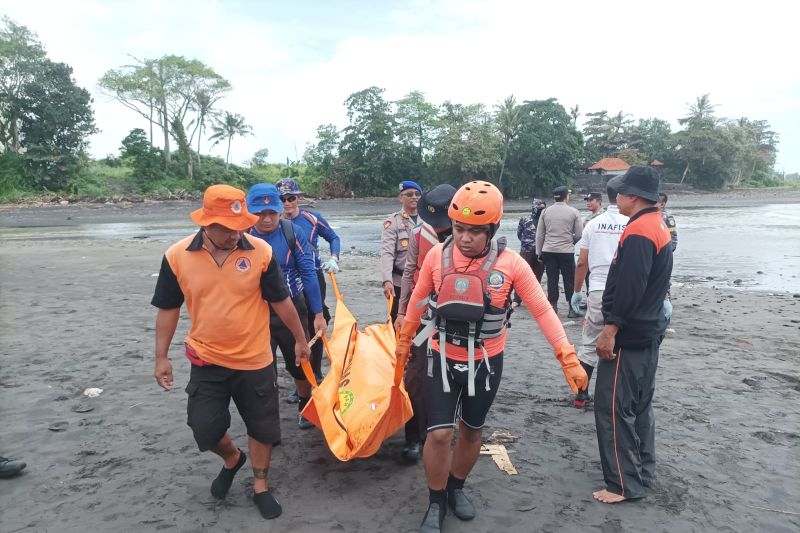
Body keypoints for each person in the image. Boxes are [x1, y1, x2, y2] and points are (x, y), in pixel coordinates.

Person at [396, 181, 588, 532]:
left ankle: (456, 488)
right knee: (438, 434)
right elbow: (417, 302)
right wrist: (404, 342)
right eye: (458, 229)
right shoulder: (437, 257)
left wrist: (566, 355)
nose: (465, 238)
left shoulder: (511, 265)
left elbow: (543, 310)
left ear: (493, 229)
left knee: (470, 432)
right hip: (440, 358)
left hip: (485, 363)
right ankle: (436, 502)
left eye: (475, 231)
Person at [151, 184, 311, 520]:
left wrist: (299, 337)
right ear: (205, 223)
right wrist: (161, 356)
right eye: (227, 228)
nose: (236, 235)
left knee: (263, 428)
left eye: (240, 227)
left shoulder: (260, 251)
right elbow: (168, 308)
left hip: (255, 359)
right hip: (207, 359)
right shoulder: (177, 256)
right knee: (204, 427)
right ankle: (232, 458)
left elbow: (280, 299)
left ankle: (261, 485)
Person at [592, 167, 673, 504]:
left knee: (612, 408)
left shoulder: (640, 230)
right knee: (640, 406)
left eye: (621, 193)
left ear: (634, 196)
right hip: (649, 329)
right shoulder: (658, 224)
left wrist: (611, 328)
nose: (617, 198)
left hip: (630, 334)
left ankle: (623, 484)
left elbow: (630, 287)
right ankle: (643, 470)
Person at [246, 183, 326, 430]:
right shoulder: (241, 236)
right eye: (260, 213)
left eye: (272, 213)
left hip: (292, 307)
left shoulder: (292, 233)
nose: (266, 219)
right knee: (261, 369)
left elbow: (309, 274)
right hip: (255, 313)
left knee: (299, 362)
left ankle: (305, 404)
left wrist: (318, 313)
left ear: (280, 211)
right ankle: (267, 419)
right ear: (249, 212)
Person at [395, 184, 457, 463]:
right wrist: (401, 311)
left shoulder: (475, 234)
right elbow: (409, 271)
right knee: (416, 375)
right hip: (423, 316)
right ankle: (413, 437)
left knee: (451, 373)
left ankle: (442, 428)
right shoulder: (419, 233)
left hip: (457, 317)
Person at [276, 178, 341, 399]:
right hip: (288, 282)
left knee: (317, 321)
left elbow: (333, 237)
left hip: (312, 276)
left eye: (291, 198)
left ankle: (316, 372)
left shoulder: (311, 218)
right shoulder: (273, 224)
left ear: (298, 198)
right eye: (282, 199)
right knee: (296, 329)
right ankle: (301, 381)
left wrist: (334, 257)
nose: (287, 203)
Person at [570, 186, 628, 407]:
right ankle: (614, 396)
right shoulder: (632, 224)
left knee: (589, 342)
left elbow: (582, 262)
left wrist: (577, 291)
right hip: (625, 290)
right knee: (621, 342)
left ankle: (581, 395)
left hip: (597, 289)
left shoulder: (593, 224)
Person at [535, 186, 583, 318]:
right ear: (566, 197)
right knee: (569, 280)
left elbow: (540, 235)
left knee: (552, 279)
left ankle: (553, 306)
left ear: (554, 197)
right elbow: (579, 234)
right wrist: (570, 242)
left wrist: (539, 252)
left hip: (548, 251)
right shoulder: (573, 212)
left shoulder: (545, 212)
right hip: (566, 251)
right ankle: (571, 309)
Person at [381, 180, 422, 323]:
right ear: (401, 198)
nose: (414, 197)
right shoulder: (393, 222)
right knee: (397, 321)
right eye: (409, 194)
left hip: (423, 281)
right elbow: (387, 253)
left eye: (417, 194)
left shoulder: (428, 220)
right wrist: (387, 280)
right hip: (400, 281)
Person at [515, 198, 546, 284]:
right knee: (522, 275)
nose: (542, 210)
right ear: (535, 208)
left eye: (544, 209)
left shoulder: (546, 220)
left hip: (541, 252)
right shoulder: (525, 219)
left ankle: (535, 295)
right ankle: (518, 297)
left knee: (538, 276)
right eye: (540, 208)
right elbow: (519, 234)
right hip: (526, 251)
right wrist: (527, 243)